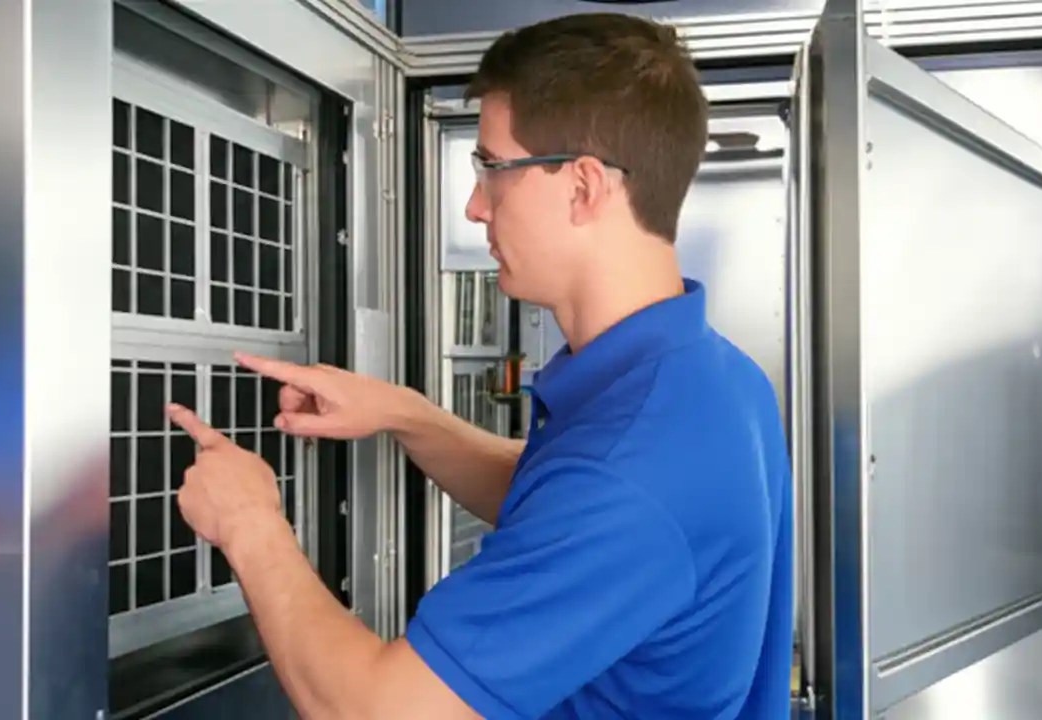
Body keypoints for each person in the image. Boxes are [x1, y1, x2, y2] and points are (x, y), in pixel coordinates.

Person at [167, 12, 793, 720]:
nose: (473, 206)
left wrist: (250, 522)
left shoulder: (632, 469)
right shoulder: (715, 381)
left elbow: (374, 711)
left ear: (582, 187)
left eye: (492, 168)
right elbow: (557, 508)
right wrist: (405, 414)